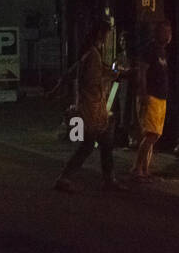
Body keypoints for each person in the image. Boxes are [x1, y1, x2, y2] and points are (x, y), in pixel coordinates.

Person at [55, 19, 128, 193]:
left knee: (101, 144)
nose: (106, 39)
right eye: (106, 35)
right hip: (92, 109)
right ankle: (65, 178)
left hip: (90, 108)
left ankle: (107, 179)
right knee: (90, 144)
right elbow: (94, 80)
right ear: (100, 35)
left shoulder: (88, 54)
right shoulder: (93, 55)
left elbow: (72, 72)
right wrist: (114, 75)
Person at [132, 20, 172, 181]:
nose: (169, 35)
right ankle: (137, 168)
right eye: (165, 31)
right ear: (158, 33)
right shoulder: (150, 49)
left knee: (154, 135)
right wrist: (143, 93)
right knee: (150, 134)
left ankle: (145, 169)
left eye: (170, 32)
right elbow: (142, 71)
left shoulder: (162, 51)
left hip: (161, 97)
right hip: (151, 96)